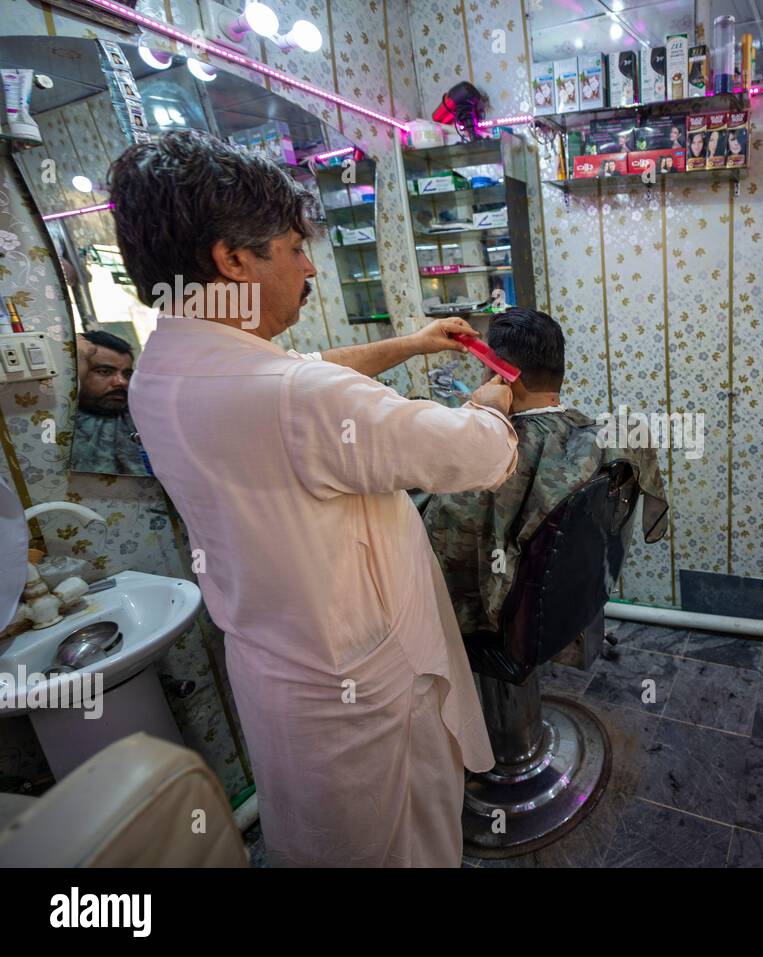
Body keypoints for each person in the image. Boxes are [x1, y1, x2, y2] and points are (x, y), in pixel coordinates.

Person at [113, 130, 519, 868]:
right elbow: (476, 454)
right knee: (408, 847)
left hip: (276, 680)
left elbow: (289, 375)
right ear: (232, 259)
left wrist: (412, 344)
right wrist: (492, 403)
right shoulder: (295, 397)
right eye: (295, 248)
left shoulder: (161, 372)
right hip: (362, 683)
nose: (311, 270)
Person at [419, 308, 668, 639]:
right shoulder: (599, 435)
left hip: (501, 623)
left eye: (484, 369)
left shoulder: (492, 455)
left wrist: (478, 416)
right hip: (568, 602)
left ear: (500, 376)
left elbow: (441, 545)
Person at [70, 331, 149, 476]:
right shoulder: (57, 422)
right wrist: (78, 356)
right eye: (105, 371)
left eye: (126, 374)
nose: (121, 382)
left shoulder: (145, 415)